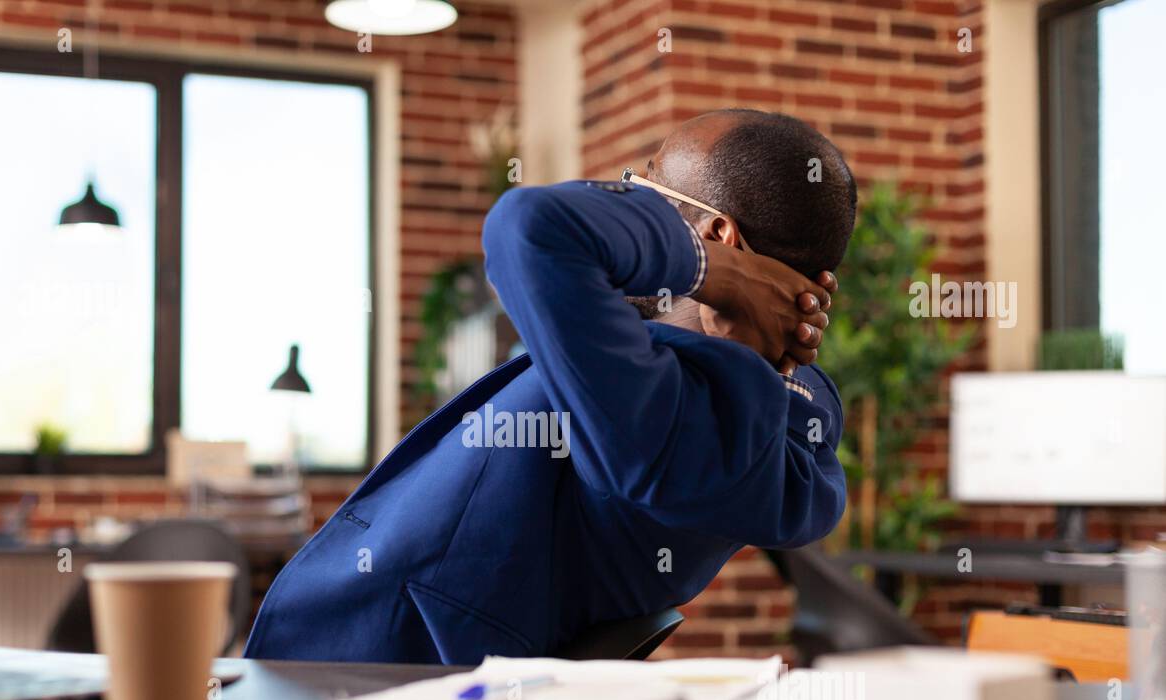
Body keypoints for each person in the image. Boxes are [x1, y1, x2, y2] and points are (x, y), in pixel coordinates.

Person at [245, 108, 856, 664]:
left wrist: (705, 269)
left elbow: (529, 226)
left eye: (645, 190)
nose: (627, 198)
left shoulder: (678, 403)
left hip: (367, 688)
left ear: (717, 237)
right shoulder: (772, 404)